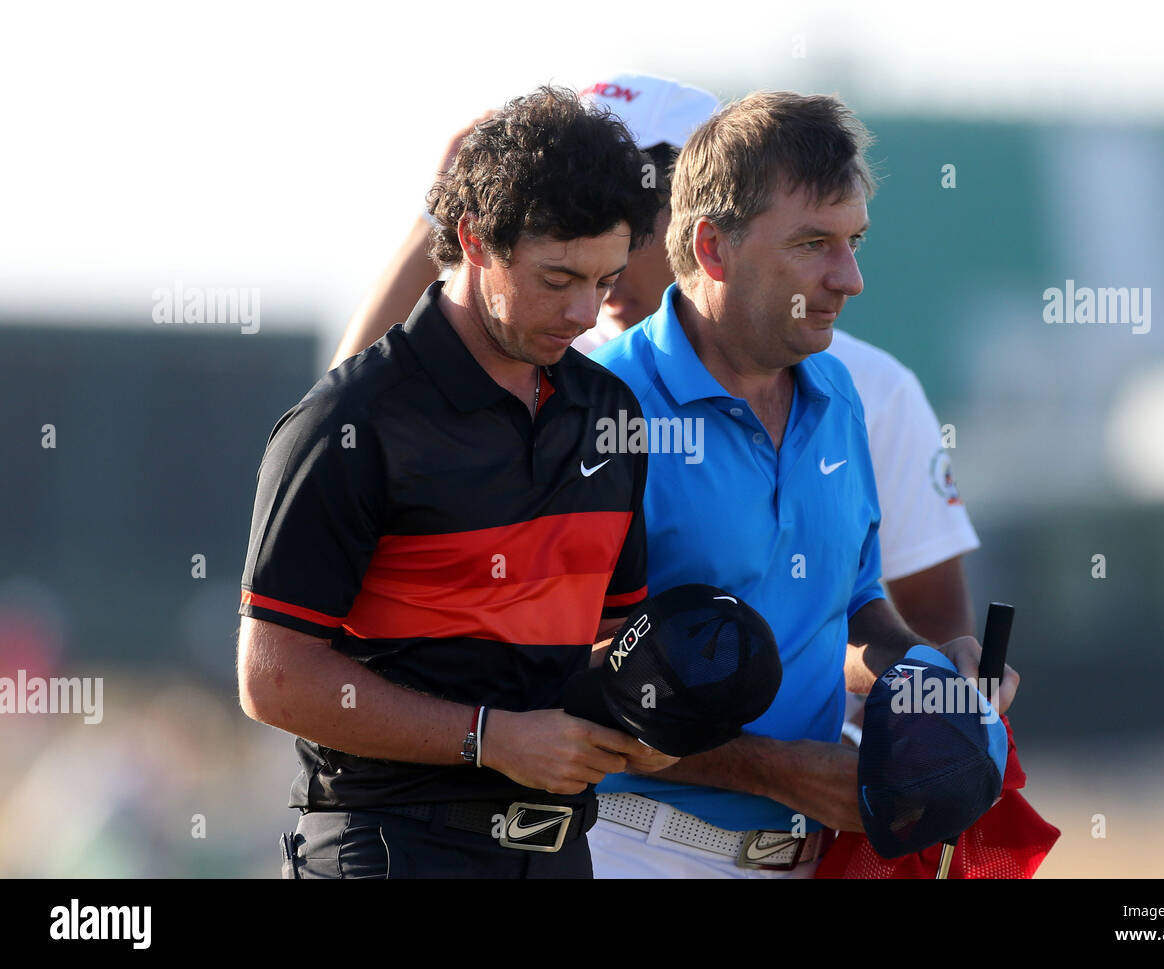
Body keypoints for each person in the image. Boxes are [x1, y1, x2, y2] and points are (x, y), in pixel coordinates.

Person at [329, 72, 981, 688]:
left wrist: (875, 736)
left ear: (705, 225)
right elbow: (343, 426)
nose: (600, 243)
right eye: (569, 213)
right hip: (616, 804)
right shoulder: (547, 367)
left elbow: (909, 620)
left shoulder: (863, 388)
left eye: (626, 214)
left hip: (824, 803)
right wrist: (437, 215)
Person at [236, 85, 675, 878]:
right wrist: (490, 735)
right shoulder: (351, 416)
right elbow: (272, 678)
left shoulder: (612, 409)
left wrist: (662, 704)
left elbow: (610, 638)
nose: (585, 310)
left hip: (564, 852)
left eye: (605, 281)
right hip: (388, 847)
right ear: (473, 238)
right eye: (556, 277)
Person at [584, 90, 1020, 878]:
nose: (849, 278)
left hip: (802, 857)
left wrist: (928, 669)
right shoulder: (596, 405)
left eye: (854, 241)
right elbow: (555, 677)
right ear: (713, 247)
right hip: (625, 847)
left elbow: (852, 610)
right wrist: (772, 768)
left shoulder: (840, 394)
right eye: (814, 242)